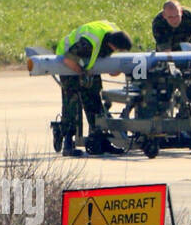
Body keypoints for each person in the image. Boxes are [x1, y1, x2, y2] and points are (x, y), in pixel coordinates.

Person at [56, 21, 133, 157]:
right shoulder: (89, 42)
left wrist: (116, 68)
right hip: (68, 63)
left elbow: (107, 60)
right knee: (72, 102)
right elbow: (69, 59)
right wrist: (82, 73)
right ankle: (68, 143)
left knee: (94, 100)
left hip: (88, 64)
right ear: (113, 45)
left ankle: (100, 140)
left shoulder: (115, 34)